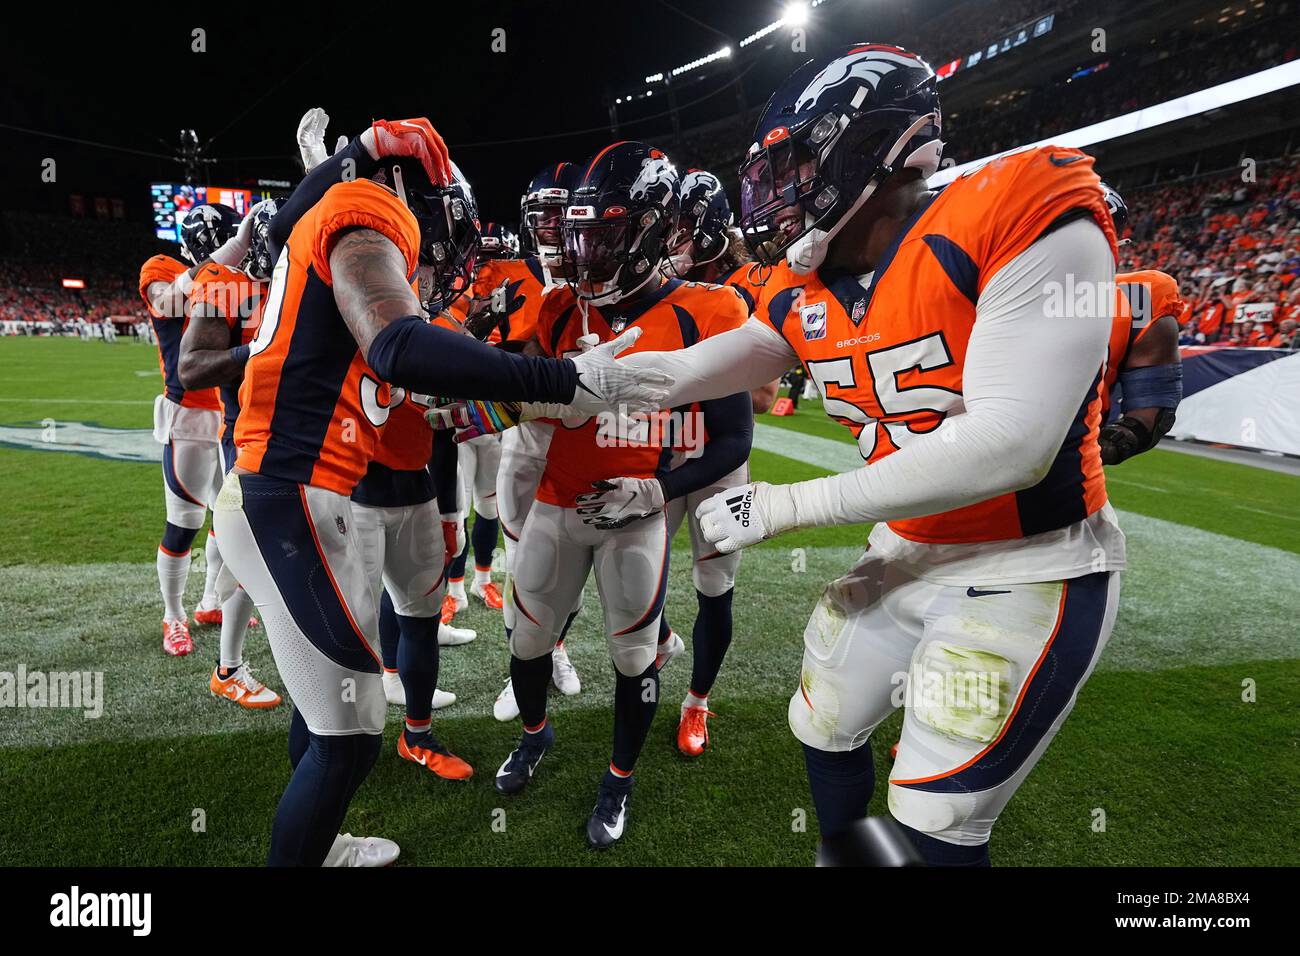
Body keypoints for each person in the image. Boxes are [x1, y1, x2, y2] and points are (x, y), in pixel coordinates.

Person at [612, 45, 1125, 866]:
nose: (774, 194)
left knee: (931, 818)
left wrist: (784, 505)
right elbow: (683, 371)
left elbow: (1014, 445)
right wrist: (569, 380)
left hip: (1028, 562)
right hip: (903, 548)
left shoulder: (1017, 204)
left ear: (872, 142)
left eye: (796, 162)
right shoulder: (806, 283)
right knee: (822, 716)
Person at [212, 116, 671, 867]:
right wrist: (564, 378)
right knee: (352, 737)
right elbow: (398, 345)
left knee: (330, 710)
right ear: (414, 201)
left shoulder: (324, 220)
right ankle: (310, 853)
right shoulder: (370, 213)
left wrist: (347, 159)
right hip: (291, 497)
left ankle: (320, 841)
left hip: (281, 496)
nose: (448, 256)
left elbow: (442, 392)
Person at [487, 141, 752, 848]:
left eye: (604, 238)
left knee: (634, 655)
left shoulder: (708, 310)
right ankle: (536, 736)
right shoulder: (554, 308)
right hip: (557, 502)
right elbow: (517, 401)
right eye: (582, 238)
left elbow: (731, 441)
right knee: (528, 636)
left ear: (657, 234)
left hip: (633, 513)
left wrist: (658, 487)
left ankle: (619, 780)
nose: (586, 256)